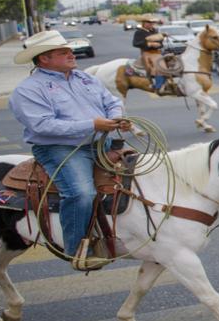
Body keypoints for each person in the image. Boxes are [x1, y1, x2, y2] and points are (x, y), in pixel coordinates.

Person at [9, 31, 131, 269]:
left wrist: (117, 118)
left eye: (69, 51)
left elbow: (112, 101)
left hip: (100, 143)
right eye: (63, 52)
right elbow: (42, 125)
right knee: (81, 193)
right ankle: (77, 250)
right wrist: (93, 125)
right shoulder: (29, 89)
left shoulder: (84, 78)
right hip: (60, 149)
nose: (71, 54)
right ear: (44, 58)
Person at [131, 16, 170, 94]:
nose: (151, 24)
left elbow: (160, 42)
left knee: (169, 63)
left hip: (157, 52)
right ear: (144, 23)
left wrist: (159, 45)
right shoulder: (139, 32)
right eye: (148, 22)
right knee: (157, 66)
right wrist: (149, 44)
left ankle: (166, 83)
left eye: (152, 23)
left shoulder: (154, 31)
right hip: (146, 52)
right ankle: (158, 86)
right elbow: (135, 43)